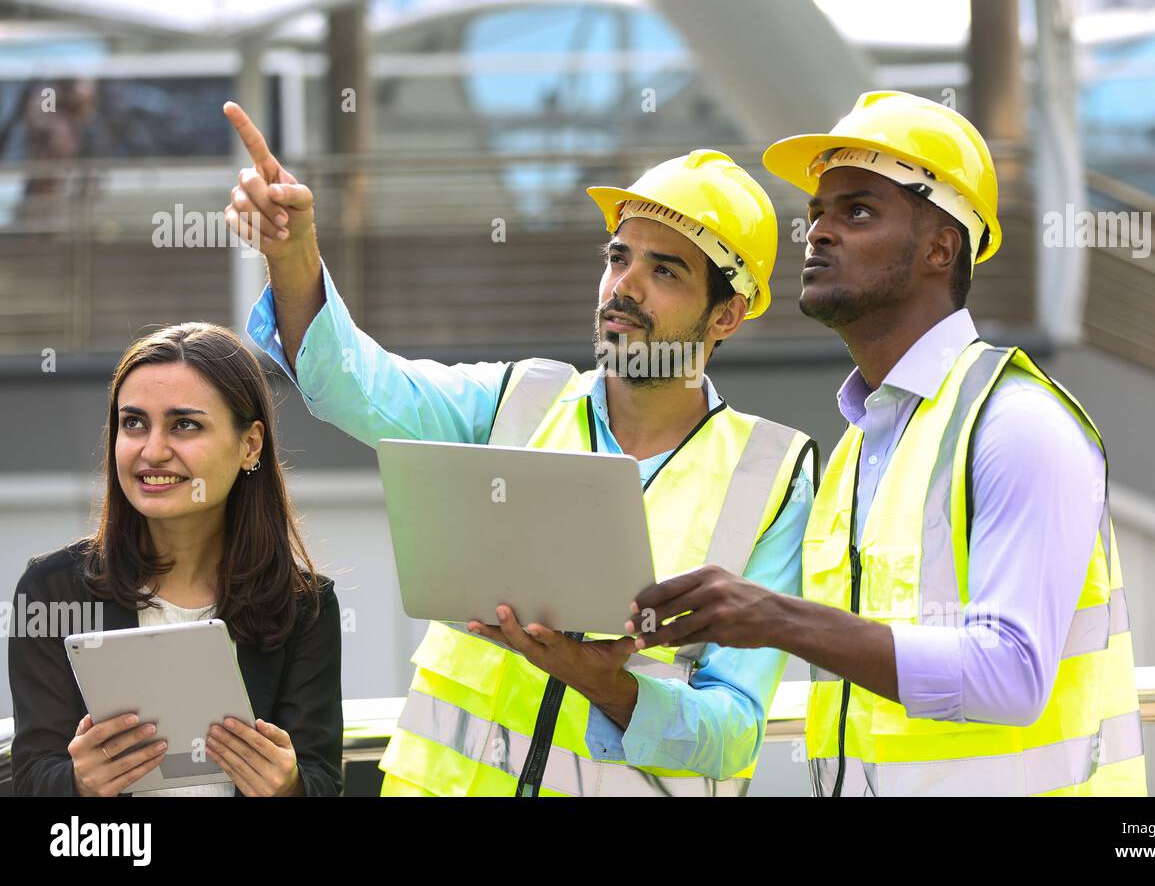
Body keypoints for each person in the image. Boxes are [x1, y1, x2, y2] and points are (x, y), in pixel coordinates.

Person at [221, 101, 816, 796]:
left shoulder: (772, 477)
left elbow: (735, 729)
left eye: (665, 272)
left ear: (727, 314)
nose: (623, 287)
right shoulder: (519, 402)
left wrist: (610, 688)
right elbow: (353, 387)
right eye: (619, 258)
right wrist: (294, 257)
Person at [628, 91, 1147, 796]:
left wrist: (777, 618)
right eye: (816, 214)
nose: (817, 233)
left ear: (941, 247)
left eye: (857, 211)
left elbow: (1013, 676)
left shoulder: (1017, 424)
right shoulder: (855, 452)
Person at [9, 322, 343, 797]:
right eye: (134, 423)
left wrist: (288, 788)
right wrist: (79, 784)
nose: (153, 450)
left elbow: (323, 782)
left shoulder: (305, 607)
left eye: (185, 424)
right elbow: (31, 780)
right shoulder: (51, 590)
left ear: (250, 445)